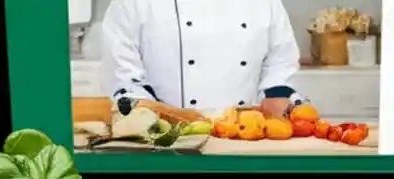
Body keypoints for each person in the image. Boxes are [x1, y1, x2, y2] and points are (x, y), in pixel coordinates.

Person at [101, 0, 307, 118]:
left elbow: (281, 64)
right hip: (163, 147)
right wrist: (161, 118)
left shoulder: (264, 4)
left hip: (244, 142)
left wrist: (278, 95)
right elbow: (125, 77)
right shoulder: (133, 3)